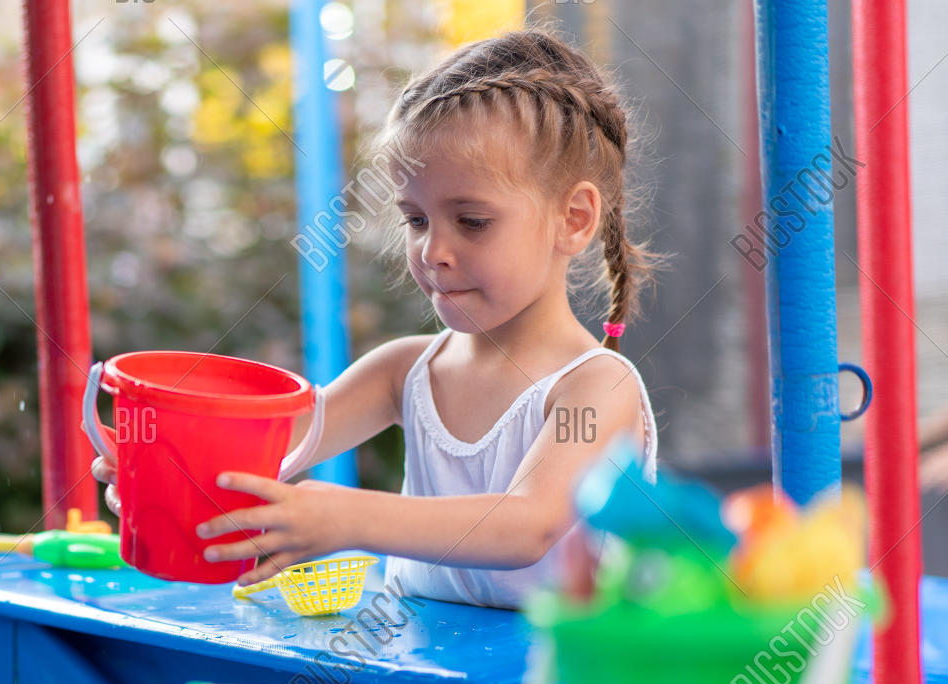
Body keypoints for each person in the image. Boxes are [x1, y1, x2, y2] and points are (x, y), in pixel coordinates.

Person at [93, 27, 660, 609]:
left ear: (573, 218)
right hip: (420, 675)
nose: (433, 250)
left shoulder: (595, 387)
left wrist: (352, 516)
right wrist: (161, 469)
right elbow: (261, 446)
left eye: (472, 221)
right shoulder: (402, 370)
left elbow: (528, 525)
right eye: (415, 219)